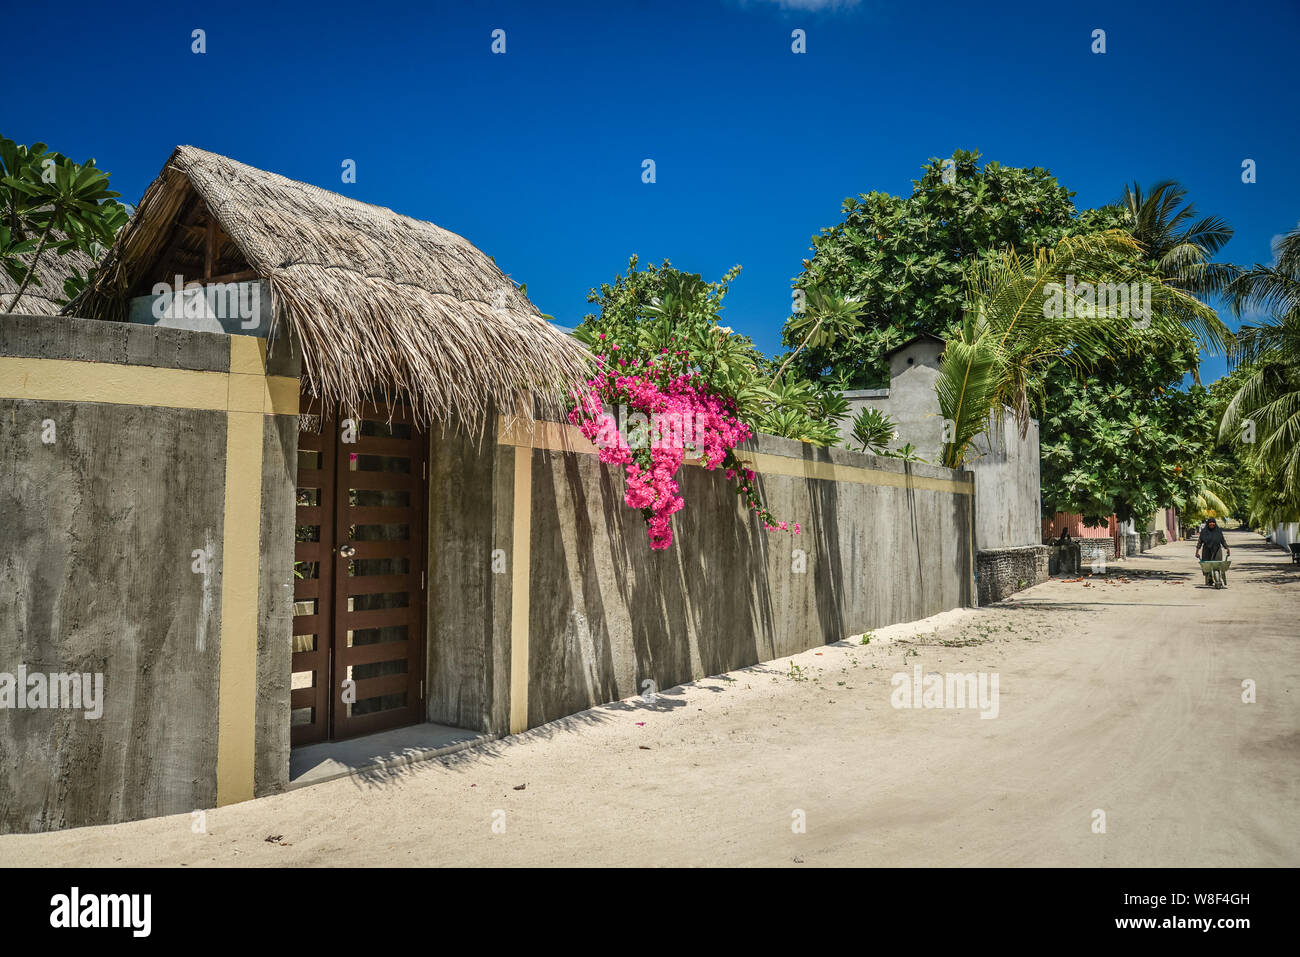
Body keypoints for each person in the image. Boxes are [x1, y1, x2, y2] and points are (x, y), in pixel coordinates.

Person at [1195, 517, 1231, 587]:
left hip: (1217, 550)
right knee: (1207, 566)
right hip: (1206, 551)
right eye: (1210, 522)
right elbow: (1199, 542)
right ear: (1208, 523)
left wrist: (1227, 548)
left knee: (1217, 565)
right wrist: (1197, 552)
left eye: (1213, 522)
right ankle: (1209, 579)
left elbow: (1222, 541)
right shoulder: (1204, 532)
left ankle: (1218, 578)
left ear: (1215, 523)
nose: (1212, 524)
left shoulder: (1218, 531)